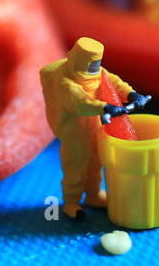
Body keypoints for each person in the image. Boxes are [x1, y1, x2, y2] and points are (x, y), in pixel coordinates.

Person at [39, 37, 145, 219]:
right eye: (91, 64)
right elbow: (79, 102)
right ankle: (71, 203)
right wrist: (104, 107)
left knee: (95, 163)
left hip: (95, 127)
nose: (94, 68)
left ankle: (93, 195)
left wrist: (131, 93)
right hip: (74, 133)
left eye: (96, 64)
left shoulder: (95, 73)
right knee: (76, 167)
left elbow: (113, 81)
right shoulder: (65, 81)